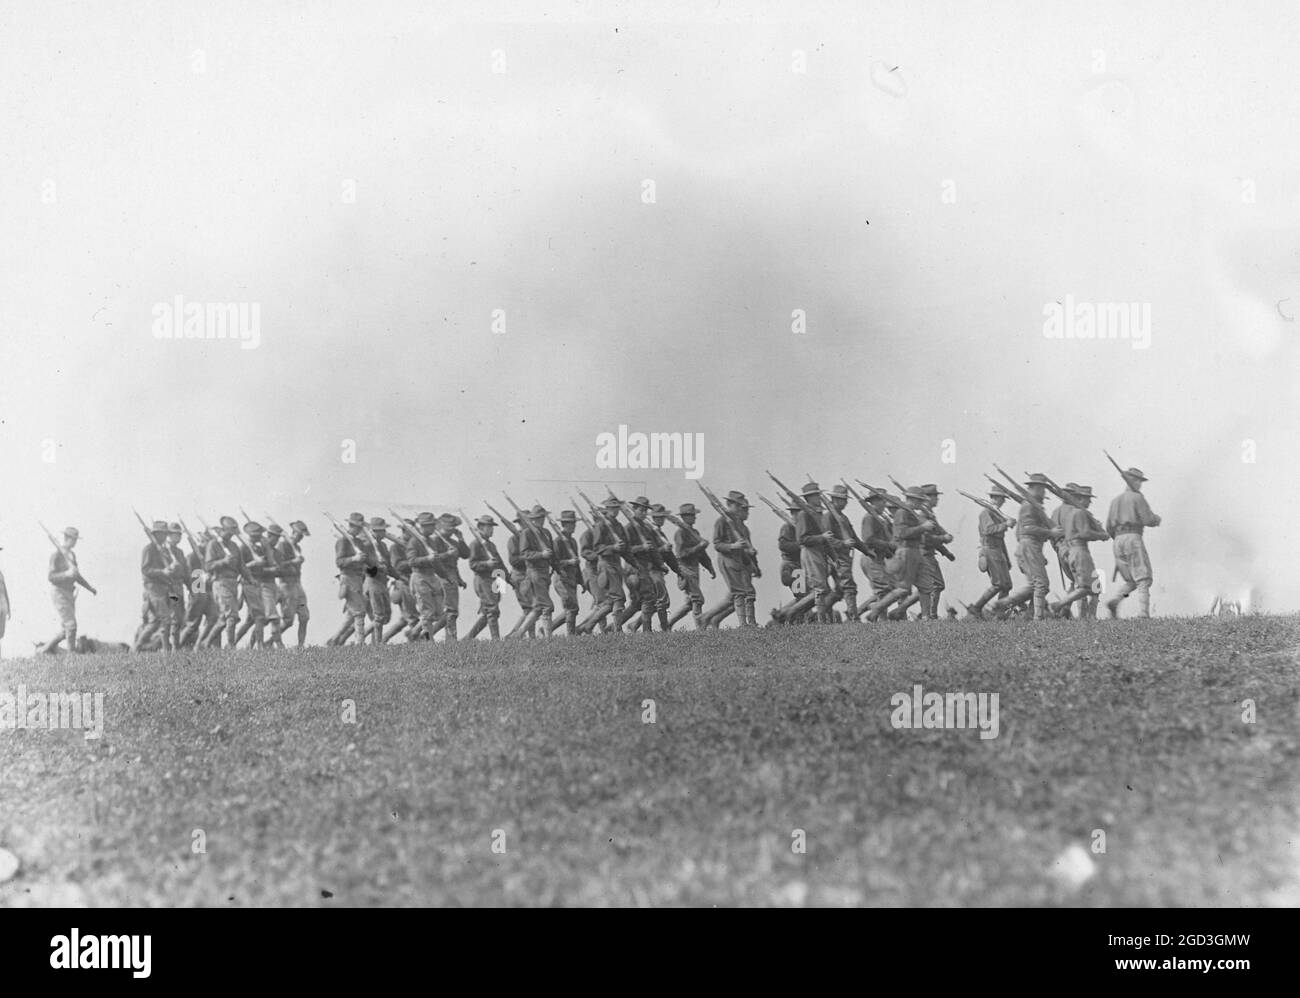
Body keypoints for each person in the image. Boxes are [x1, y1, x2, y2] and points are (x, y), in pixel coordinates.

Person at [994, 474, 1063, 621]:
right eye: (1042, 489)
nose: (1044, 492)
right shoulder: (1029, 505)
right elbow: (1027, 528)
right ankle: (1037, 618)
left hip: (1031, 546)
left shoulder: (1032, 505)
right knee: (1040, 584)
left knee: (1037, 585)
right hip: (1029, 545)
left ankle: (1011, 607)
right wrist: (1050, 532)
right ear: (1035, 488)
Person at [1105, 466, 1162, 618]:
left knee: (1131, 580)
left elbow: (1108, 527)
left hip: (1117, 540)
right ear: (1131, 481)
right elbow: (1147, 519)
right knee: (1144, 577)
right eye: (1138, 481)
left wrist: (1119, 539)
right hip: (1133, 537)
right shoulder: (1138, 497)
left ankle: (1116, 601)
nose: (1139, 484)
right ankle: (1144, 613)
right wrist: (1157, 519)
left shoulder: (1115, 500)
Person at [967, 485, 1013, 618]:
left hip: (998, 550)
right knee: (998, 584)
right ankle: (976, 608)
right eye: (1002, 498)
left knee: (1007, 585)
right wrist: (1006, 525)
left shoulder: (996, 513)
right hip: (990, 549)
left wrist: (1007, 558)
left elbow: (1001, 539)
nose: (1003, 501)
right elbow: (988, 530)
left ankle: (999, 614)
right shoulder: (986, 513)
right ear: (995, 498)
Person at [466, 514, 508, 640]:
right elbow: (473, 564)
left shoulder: (491, 545)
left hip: (494, 580)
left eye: (492, 527)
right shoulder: (475, 544)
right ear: (480, 528)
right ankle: (496, 640)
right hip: (483, 579)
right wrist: (487, 564)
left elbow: (500, 563)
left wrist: (508, 579)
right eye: (488, 527)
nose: (491, 530)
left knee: (488, 612)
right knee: (492, 610)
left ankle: (468, 638)